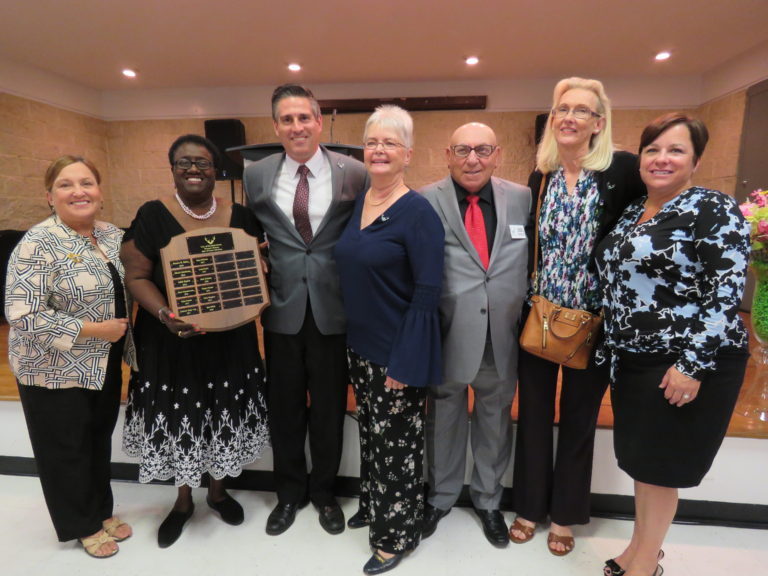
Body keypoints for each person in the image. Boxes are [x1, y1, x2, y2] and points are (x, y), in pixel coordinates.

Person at [596, 113, 749, 576]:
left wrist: (693, 365)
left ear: (695, 160)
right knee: (645, 465)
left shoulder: (712, 208)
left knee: (661, 467)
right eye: (653, 150)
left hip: (685, 361)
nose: (662, 159)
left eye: (675, 150)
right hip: (635, 360)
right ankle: (642, 548)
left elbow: (726, 294)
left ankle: (645, 564)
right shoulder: (633, 210)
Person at [510, 77, 646, 555]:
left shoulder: (623, 170)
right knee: (532, 416)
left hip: (596, 323)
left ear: (598, 123)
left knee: (579, 419)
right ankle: (529, 506)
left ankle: (565, 514)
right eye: (561, 109)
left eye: (581, 111)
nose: (568, 117)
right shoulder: (540, 175)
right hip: (541, 316)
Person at [121, 134, 269, 548]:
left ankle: (218, 493)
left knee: (222, 413)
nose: (193, 170)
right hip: (171, 340)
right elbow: (136, 277)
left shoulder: (241, 215)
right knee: (179, 418)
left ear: (216, 171)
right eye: (184, 162)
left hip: (230, 340)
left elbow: (256, 267)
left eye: (203, 163)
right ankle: (183, 502)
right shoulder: (152, 215)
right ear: (172, 168)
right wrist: (167, 316)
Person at [243, 84, 369, 536]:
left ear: (319, 122)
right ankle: (289, 495)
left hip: (335, 311)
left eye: (304, 118)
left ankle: (324, 494)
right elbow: (251, 236)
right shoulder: (256, 175)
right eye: (287, 119)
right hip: (281, 311)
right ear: (276, 126)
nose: (296, 127)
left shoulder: (354, 171)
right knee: (285, 408)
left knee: (330, 409)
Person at [5, 155, 137, 558]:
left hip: (103, 363)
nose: (78, 191)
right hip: (51, 367)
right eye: (66, 185)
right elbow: (21, 314)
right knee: (65, 448)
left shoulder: (113, 235)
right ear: (50, 196)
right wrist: (96, 330)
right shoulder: (36, 243)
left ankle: (100, 511)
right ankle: (81, 525)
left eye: (86, 183)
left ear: (99, 191)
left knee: (96, 441)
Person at [335, 105, 444, 575]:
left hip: (397, 353)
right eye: (373, 142)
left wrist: (407, 361)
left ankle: (397, 533)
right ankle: (377, 504)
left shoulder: (418, 212)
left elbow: (426, 293)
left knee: (399, 444)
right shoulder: (360, 201)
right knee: (373, 437)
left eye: (390, 143)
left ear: (408, 155)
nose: (379, 151)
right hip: (360, 347)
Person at [420, 123, 531, 547]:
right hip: (449, 333)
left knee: (495, 419)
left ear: (497, 154)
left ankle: (488, 501)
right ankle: (441, 496)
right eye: (463, 150)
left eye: (482, 150)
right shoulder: (426, 200)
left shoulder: (521, 197)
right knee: (444, 418)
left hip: (502, 334)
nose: (473, 159)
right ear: (447, 154)